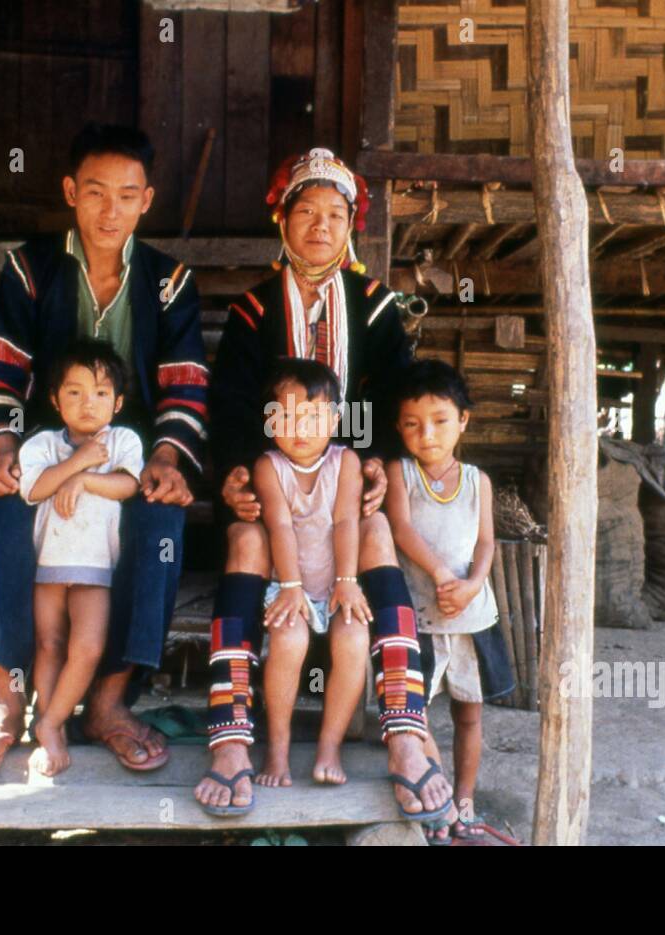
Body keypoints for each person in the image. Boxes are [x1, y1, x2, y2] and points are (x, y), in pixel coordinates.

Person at [194, 148, 453, 824]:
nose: (319, 225)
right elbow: (229, 404)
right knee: (248, 541)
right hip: (272, 485)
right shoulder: (254, 310)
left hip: (343, 486)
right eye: (305, 211)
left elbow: (395, 391)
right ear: (282, 220)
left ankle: (403, 730)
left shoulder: (374, 307)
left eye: (334, 214)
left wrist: (374, 460)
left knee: (375, 531)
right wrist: (236, 473)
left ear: (351, 228)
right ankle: (230, 740)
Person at [0, 124, 208, 776]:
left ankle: (110, 702)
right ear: (71, 192)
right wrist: (6, 448)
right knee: (3, 511)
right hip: (42, 449)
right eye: (95, 192)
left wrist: (167, 461)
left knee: (160, 524)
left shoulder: (169, 281)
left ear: (147, 200)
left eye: (126, 195)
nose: (110, 210)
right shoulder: (30, 268)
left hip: (130, 455)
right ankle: (7, 701)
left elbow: (185, 379)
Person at [385, 359, 515, 841]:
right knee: (413, 712)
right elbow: (400, 529)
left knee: (469, 711)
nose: (428, 435)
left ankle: (464, 801)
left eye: (441, 421)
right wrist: (441, 573)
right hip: (419, 614)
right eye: (413, 424)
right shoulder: (401, 474)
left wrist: (475, 582)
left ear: (464, 421)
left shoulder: (478, 480)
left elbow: (486, 542)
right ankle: (432, 799)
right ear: (399, 427)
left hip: (471, 614)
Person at [17, 340, 144, 776]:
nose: (88, 403)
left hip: (94, 567)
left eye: (101, 393)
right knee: (49, 644)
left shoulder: (124, 440)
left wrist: (87, 478)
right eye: (74, 392)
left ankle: (52, 721)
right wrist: (80, 462)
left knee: (87, 646)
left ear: (119, 401)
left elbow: (128, 486)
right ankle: (49, 725)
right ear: (54, 400)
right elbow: (34, 489)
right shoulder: (42, 445)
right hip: (48, 564)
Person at [248, 360, 370, 791]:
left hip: (339, 585)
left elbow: (346, 523)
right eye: (287, 415)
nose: (301, 428)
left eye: (314, 416)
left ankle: (329, 747)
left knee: (355, 639)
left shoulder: (347, 462)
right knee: (289, 639)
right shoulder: (269, 466)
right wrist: (292, 586)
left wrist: (348, 580)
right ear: (270, 420)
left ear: (336, 419)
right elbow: (280, 525)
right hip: (288, 585)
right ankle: (277, 748)